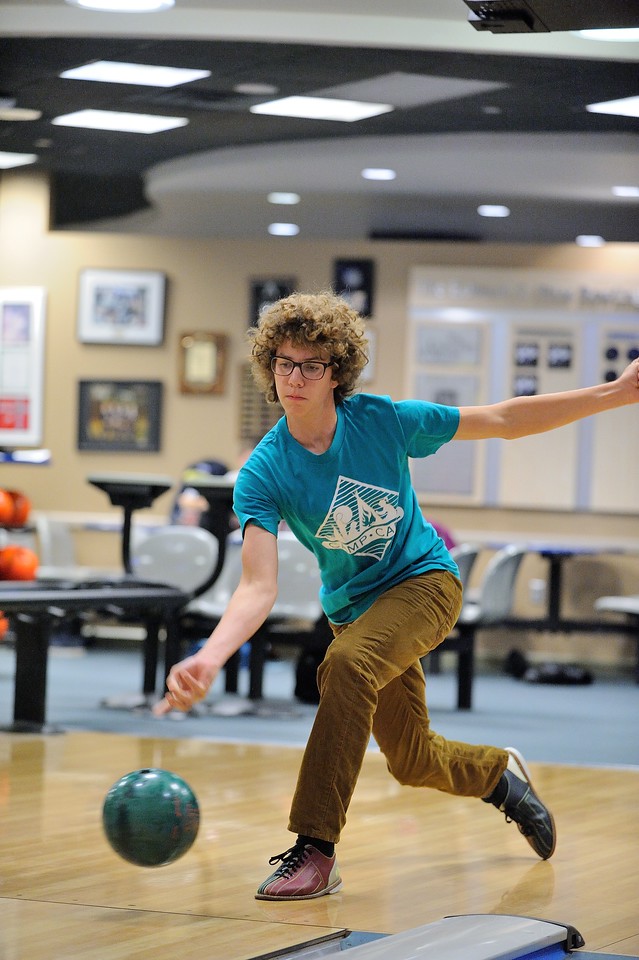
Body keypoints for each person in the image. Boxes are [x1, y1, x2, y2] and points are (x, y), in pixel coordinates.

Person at [155, 290, 639, 901]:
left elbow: (506, 419)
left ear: (338, 373)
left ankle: (314, 849)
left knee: (347, 665)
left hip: (425, 585)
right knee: (412, 759)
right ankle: (499, 778)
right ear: (268, 368)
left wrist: (617, 392)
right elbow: (257, 585)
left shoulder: (382, 420)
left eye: (311, 365)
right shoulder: (264, 471)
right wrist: (209, 657)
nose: (294, 377)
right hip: (358, 612)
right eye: (284, 363)